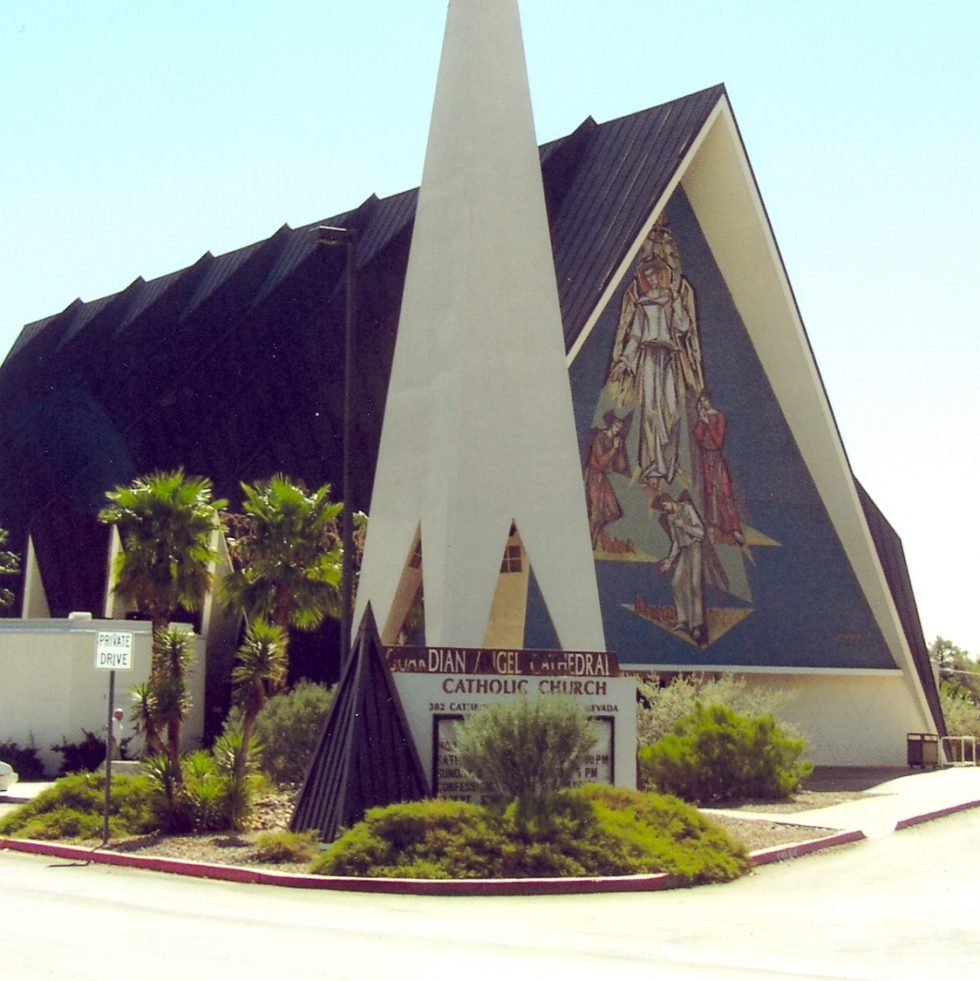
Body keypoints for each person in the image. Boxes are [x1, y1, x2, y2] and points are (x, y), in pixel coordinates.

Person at [607, 219, 703, 490]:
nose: (651, 279)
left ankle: (669, 464)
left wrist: (677, 302)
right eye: (647, 276)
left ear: (662, 275)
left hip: (669, 357)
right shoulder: (642, 304)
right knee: (650, 411)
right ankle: (652, 466)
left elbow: (683, 327)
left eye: (655, 274)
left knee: (671, 411)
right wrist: (624, 361)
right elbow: (636, 336)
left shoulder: (673, 300)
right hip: (648, 357)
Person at [653, 491, 707, 646]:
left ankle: (697, 625)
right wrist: (670, 561)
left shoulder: (687, 508)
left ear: (670, 501)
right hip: (684, 550)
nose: (665, 510)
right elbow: (676, 542)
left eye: (665, 506)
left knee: (695, 585)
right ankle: (682, 620)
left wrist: (684, 526)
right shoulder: (670, 518)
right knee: (676, 583)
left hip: (695, 548)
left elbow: (701, 533)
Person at [692, 391, 745, 546]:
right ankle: (715, 527)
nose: (704, 404)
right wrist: (702, 421)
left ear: (710, 401)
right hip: (706, 458)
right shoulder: (702, 418)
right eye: (701, 401)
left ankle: (733, 528)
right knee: (710, 491)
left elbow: (718, 440)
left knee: (724, 491)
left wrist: (707, 422)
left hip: (717, 457)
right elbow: (698, 437)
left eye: (705, 401)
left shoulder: (719, 417)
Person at [582, 410, 632, 549]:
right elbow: (600, 462)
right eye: (616, 426)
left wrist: (619, 449)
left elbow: (621, 467)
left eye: (620, 427)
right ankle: (589, 544)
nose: (618, 429)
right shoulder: (600, 437)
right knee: (596, 514)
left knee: (615, 512)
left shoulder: (615, 441)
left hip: (602, 478)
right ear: (611, 424)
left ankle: (594, 526)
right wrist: (614, 449)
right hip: (594, 475)